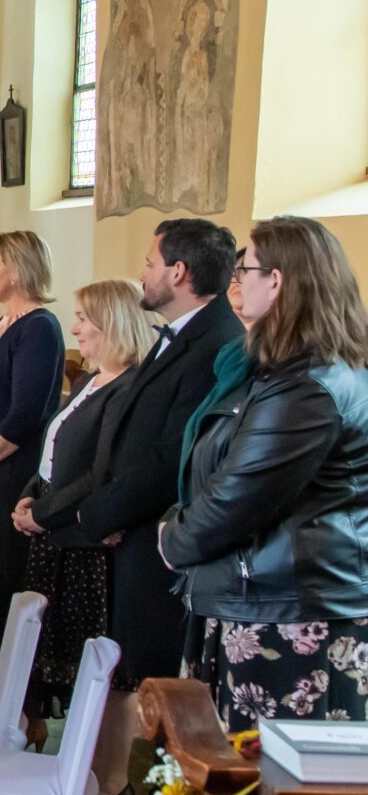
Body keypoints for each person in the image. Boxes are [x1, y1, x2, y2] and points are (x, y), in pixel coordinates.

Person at [162, 217, 368, 732]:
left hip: (293, 614)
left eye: (244, 268)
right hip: (259, 598)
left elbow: (240, 494)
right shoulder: (278, 371)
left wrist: (172, 539)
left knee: (266, 790)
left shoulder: (310, 383)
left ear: (276, 281)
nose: (236, 279)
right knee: (223, 779)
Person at [79, 218, 241, 795]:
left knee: (151, 672)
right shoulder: (180, 336)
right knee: (136, 665)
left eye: (149, 261)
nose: (141, 272)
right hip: (139, 529)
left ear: (178, 272)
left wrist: (109, 511)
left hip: (160, 535)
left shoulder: (214, 343)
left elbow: (170, 451)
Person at [11, 280, 154, 784]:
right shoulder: (89, 381)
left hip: (84, 543)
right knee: (59, 656)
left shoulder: (128, 387)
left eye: (84, 320)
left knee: (96, 667)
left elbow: (100, 473)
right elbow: (54, 450)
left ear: (113, 325)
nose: (75, 328)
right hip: (55, 532)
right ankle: (69, 761)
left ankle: (103, 778)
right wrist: (31, 495)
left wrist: (44, 514)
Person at [0, 231, 66, 685]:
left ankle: (11, 689)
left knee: (6, 574)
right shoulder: (4, 322)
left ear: (19, 266)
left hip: (10, 472)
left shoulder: (39, 327)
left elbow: (25, 414)